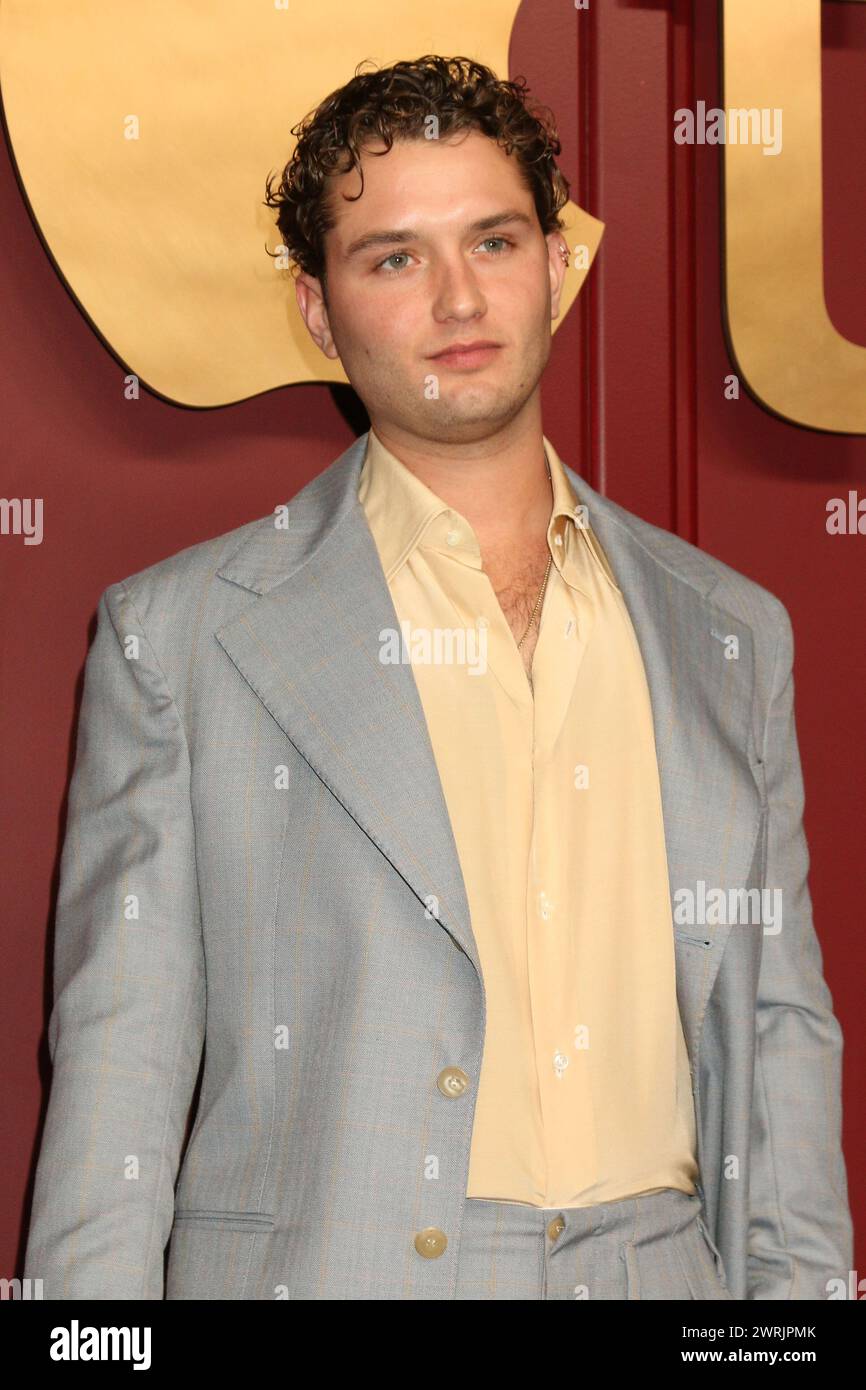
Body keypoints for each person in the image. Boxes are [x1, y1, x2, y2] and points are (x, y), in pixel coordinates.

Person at [24, 54, 852, 1300]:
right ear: (315, 307)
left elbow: (775, 1037)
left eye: (494, 240)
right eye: (394, 257)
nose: (459, 298)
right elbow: (117, 1069)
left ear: (558, 265)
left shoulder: (726, 631)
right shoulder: (181, 637)